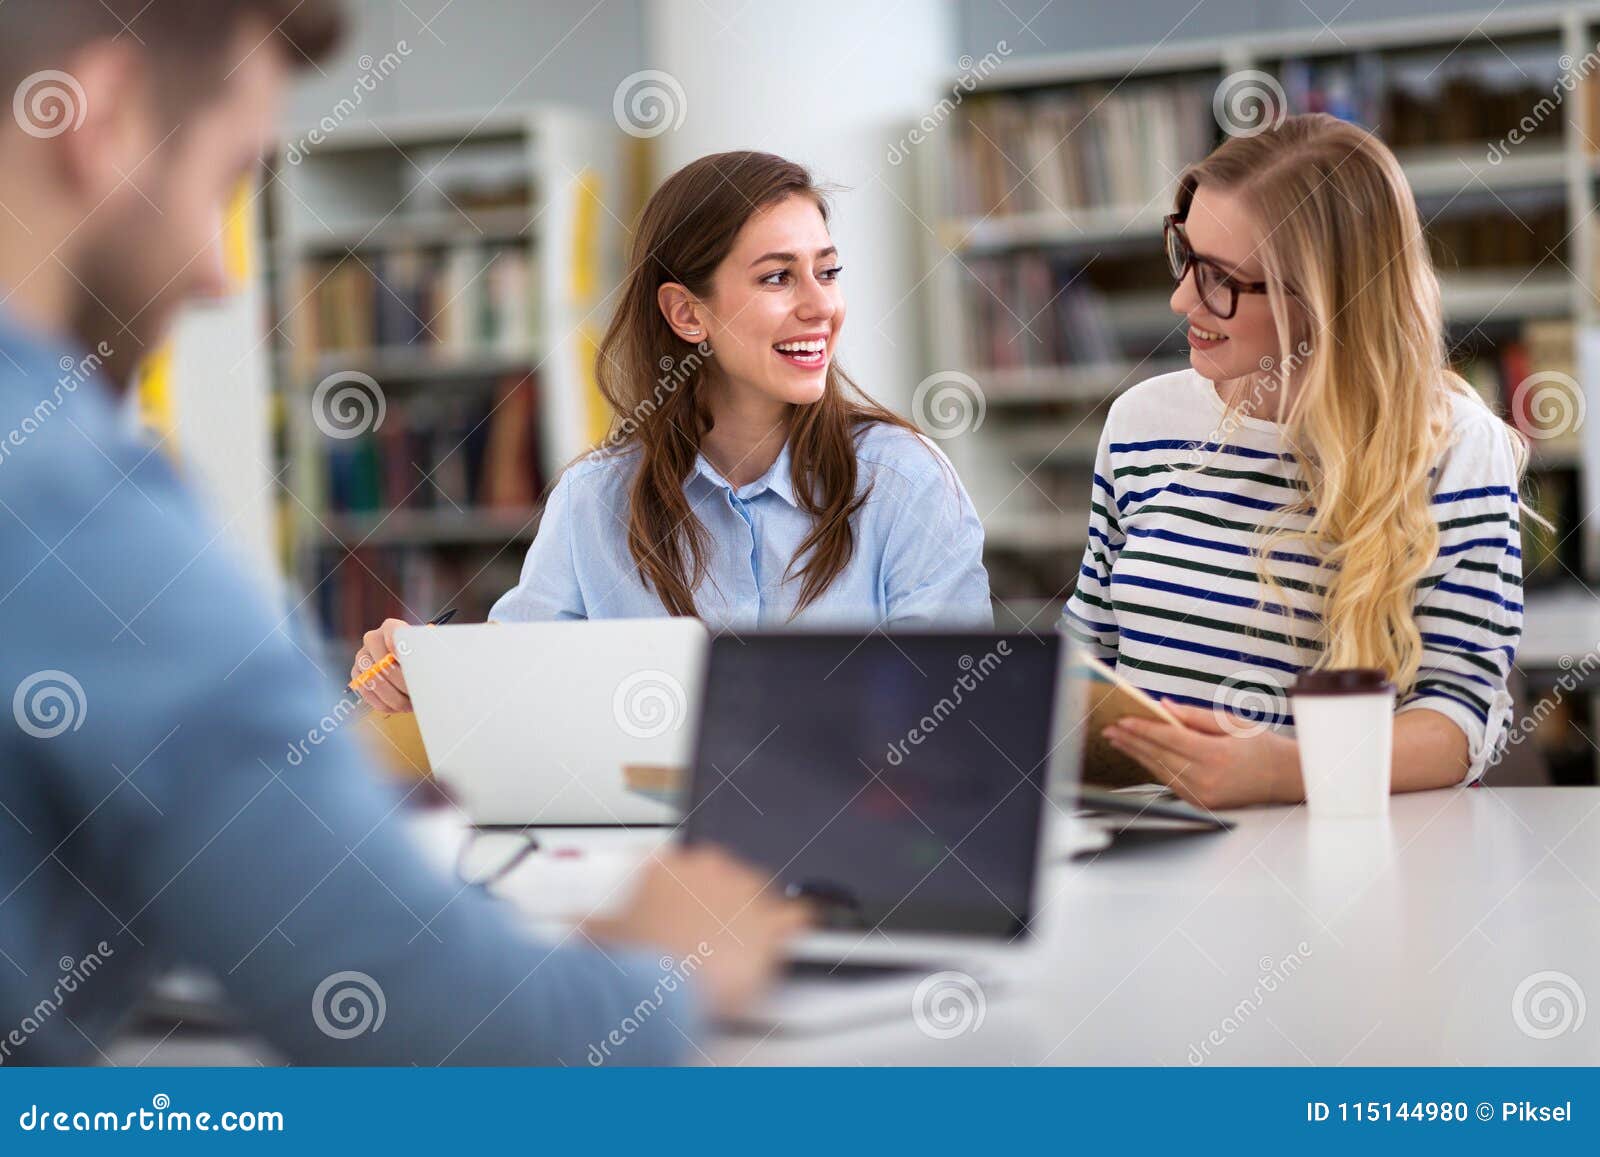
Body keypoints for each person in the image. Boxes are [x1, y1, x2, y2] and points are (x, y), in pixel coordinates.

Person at [0, 0, 804, 1066]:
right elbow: (448, 1027)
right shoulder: (67, 495)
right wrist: (675, 966)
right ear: (95, 125)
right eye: (227, 183)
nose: (219, 272)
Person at [352, 151, 992, 713]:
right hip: (646, 847)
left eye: (826, 272)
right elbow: (516, 691)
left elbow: (959, 717)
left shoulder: (904, 480)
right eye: (777, 276)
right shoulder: (593, 498)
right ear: (688, 313)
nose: (821, 306)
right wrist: (419, 671)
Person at [1061, 113, 1526, 809]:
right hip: (1142, 856)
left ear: (1327, 299)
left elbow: (1459, 718)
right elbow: (1084, 651)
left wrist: (1283, 770)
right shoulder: (1139, 424)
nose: (1182, 297)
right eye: (1183, 254)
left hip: (1333, 866)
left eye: (1221, 279)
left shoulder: (1457, 447)